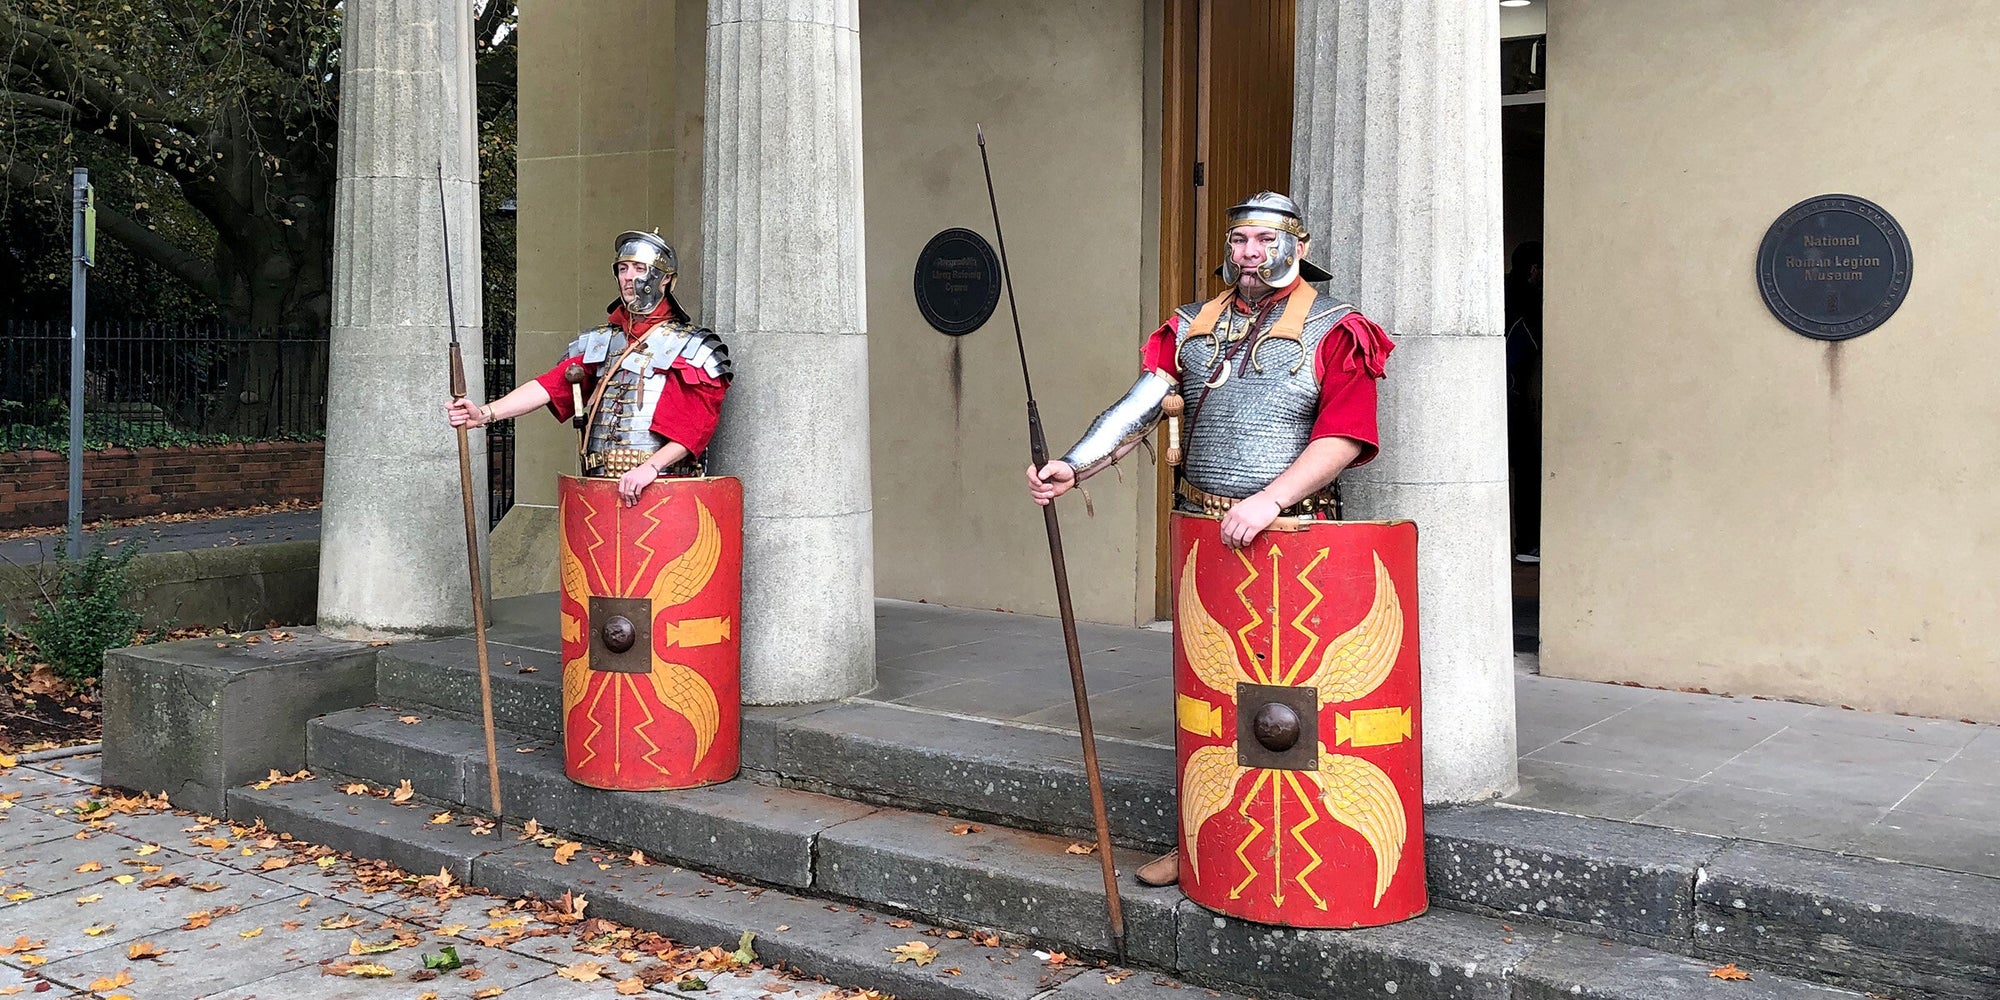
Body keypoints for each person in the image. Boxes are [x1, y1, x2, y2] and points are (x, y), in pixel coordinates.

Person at [1025, 192, 1392, 888]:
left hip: (1297, 538)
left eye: (1264, 239)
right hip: (1206, 535)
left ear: (1300, 246)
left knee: (1294, 710)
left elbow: (1344, 435)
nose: (1249, 253)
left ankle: (1308, 862)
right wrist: (1071, 465)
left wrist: (1270, 499)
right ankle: (1201, 844)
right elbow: (1135, 412)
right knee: (1210, 703)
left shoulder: (1338, 329)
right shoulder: (1194, 327)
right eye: (1239, 240)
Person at [448, 230, 730, 506]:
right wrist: (484, 414)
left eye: (639, 268)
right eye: (623, 268)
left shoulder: (691, 347)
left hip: (663, 489)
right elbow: (549, 386)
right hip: (601, 487)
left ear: (665, 278)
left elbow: (694, 428)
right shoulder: (602, 341)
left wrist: (650, 468)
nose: (629, 277)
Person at [1503, 240, 1542, 563]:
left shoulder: (1501, 291)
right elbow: (1527, 348)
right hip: (1512, 395)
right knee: (1528, 466)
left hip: (1498, 395)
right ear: (1533, 270)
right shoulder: (1525, 300)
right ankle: (1527, 544)